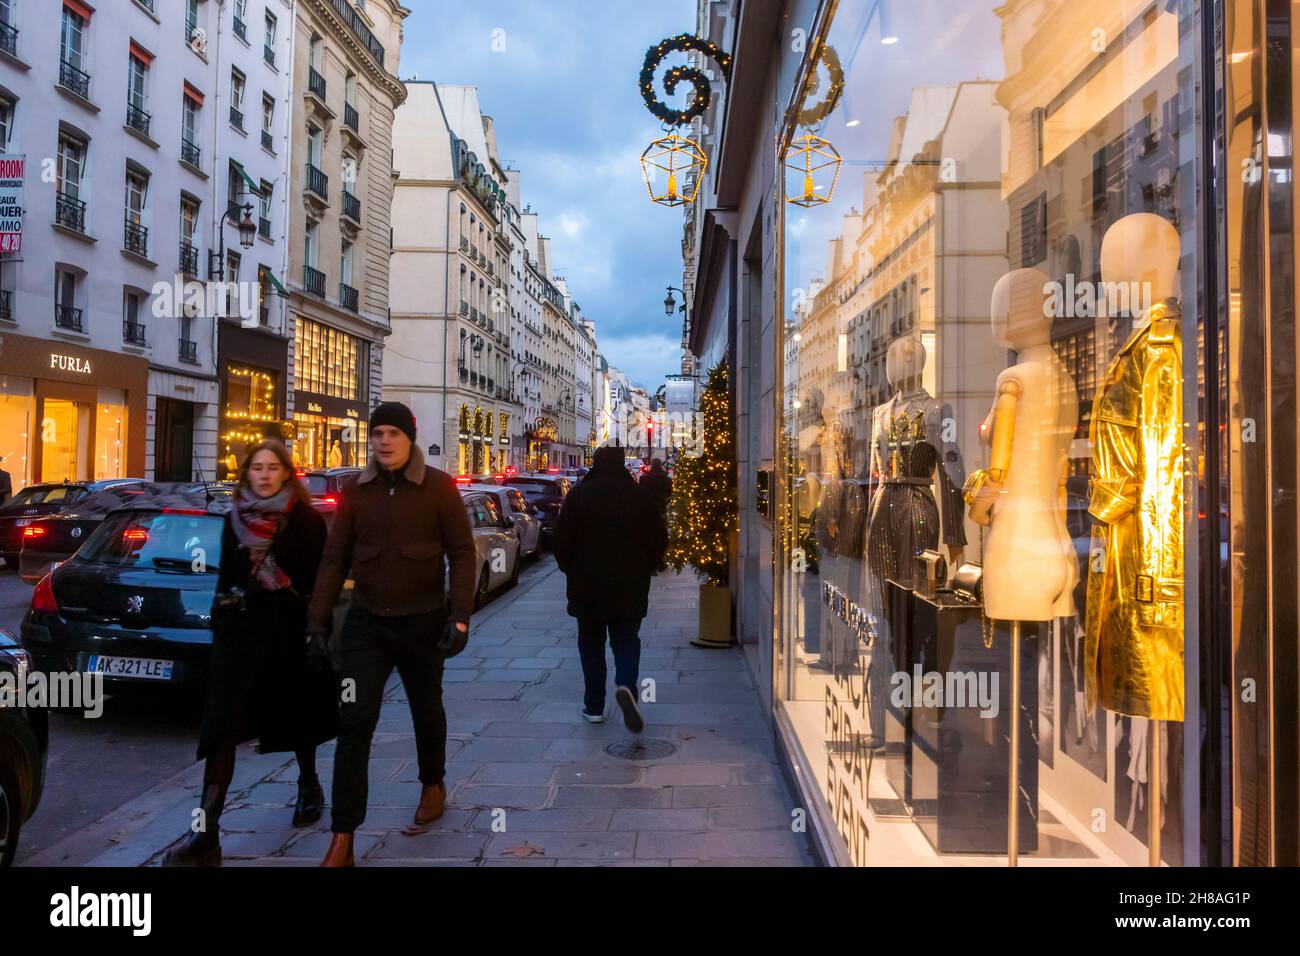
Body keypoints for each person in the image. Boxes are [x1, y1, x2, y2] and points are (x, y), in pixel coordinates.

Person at [308, 402, 476, 868]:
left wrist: (459, 617)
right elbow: (333, 560)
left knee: (426, 709)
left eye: (393, 433)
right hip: (366, 624)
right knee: (354, 721)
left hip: (423, 622)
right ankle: (343, 836)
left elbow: (463, 553)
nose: (384, 441)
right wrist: (317, 623)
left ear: (410, 437)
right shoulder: (356, 492)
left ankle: (432, 781)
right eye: (377, 432)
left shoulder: (439, 489)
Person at [163, 440, 333, 867]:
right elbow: (225, 579)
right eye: (256, 467)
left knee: (297, 719)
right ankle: (205, 835)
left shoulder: (306, 521)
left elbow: (318, 583)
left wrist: (316, 631)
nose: (263, 474)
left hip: (287, 636)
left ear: (286, 473)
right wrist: (222, 618)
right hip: (239, 641)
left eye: (272, 467)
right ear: (246, 474)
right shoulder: (233, 519)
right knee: (219, 734)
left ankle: (309, 784)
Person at [554, 445, 668, 731]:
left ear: (595, 463)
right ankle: (627, 686)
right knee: (627, 640)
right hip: (630, 585)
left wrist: (571, 569)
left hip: (587, 586)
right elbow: (658, 537)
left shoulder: (579, 494)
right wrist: (648, 567)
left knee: (591, 644)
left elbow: (561, 539)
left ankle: (594, 706)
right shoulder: (640, 496)